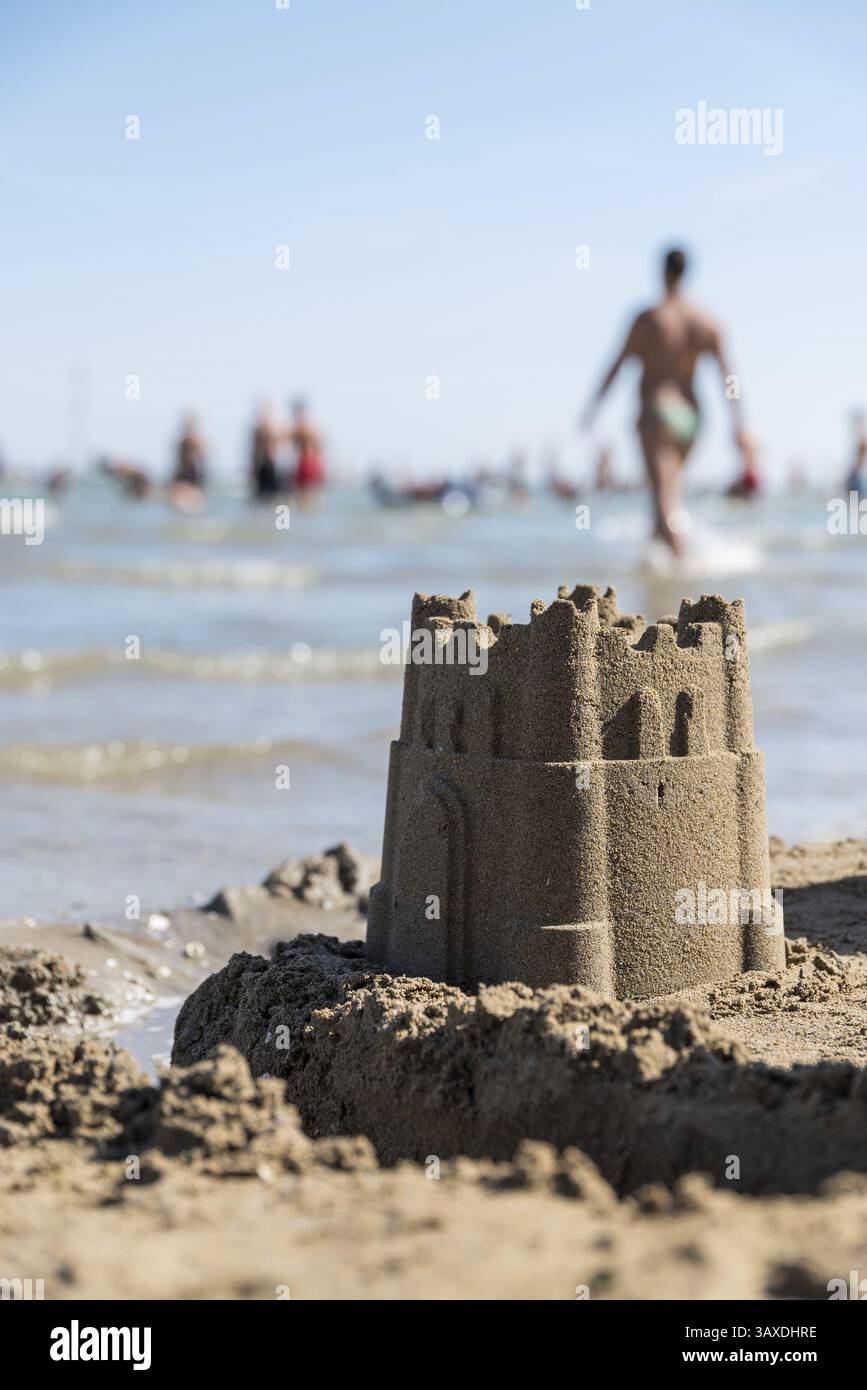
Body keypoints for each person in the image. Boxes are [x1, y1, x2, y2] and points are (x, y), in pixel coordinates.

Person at [582, 247, 753, 556]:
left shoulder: (649, 319)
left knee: (664, 499)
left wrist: (593, 409)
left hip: (658, 413)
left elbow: (617, 365)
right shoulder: (705, 321)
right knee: (665, 495)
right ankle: (657, 583)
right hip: (693, 418)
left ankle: (682, 571)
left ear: (662, 272)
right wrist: (740, 423)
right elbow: (730, 378)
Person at [285, 399, 325, 496]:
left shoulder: (312, 428)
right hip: (300, 462)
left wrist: (321, 468)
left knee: (309, 493)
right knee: (301, 493)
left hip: (309, 462)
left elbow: (319, 449)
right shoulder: (295, 428)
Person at [249, 404, 280, 499]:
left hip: (271, 464)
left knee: (272, 495)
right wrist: (253, 469)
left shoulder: (274, 428)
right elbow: (254, 450)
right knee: (262, 495)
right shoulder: (259, 429)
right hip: (263, 464)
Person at [172, 414, 207, 488]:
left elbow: (201, 458)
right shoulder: (183, 441)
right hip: (185, 471)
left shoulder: (196, 441)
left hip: (191, 472)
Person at [844, 410, 867, 496]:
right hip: (857, 477)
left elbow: (859, 462)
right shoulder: (860, 439)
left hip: (859, 477)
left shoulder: (862, 440)